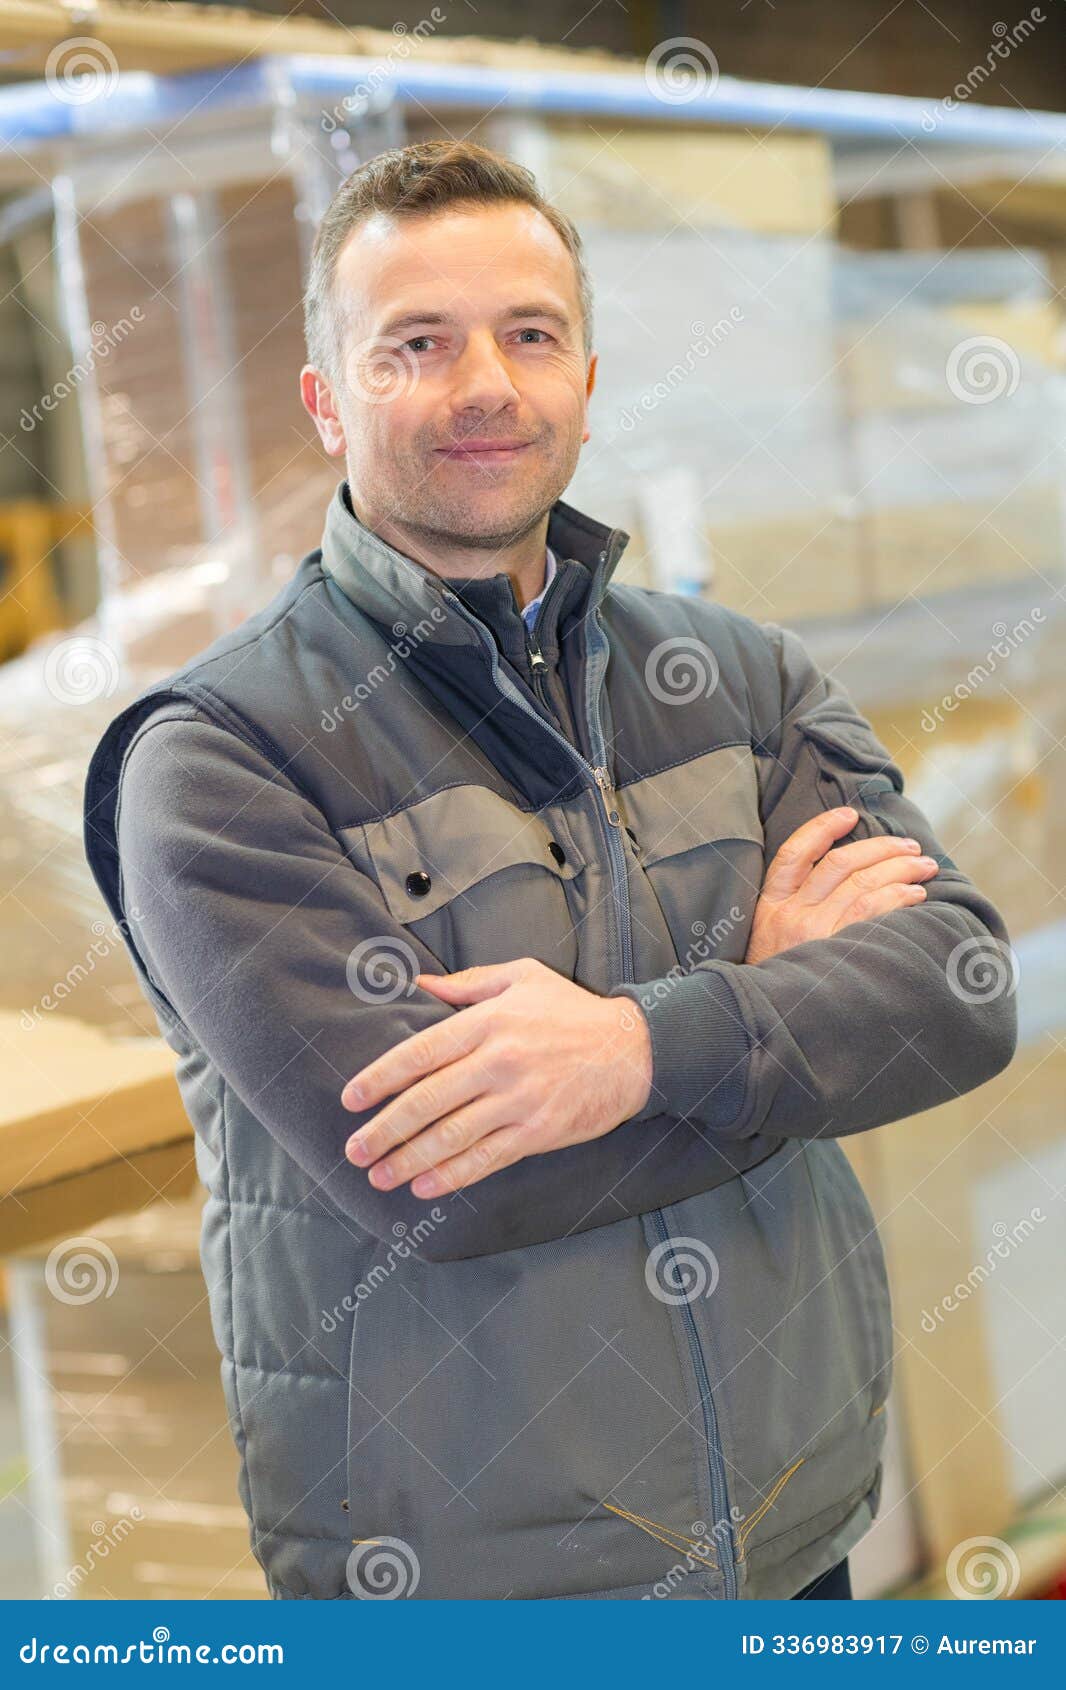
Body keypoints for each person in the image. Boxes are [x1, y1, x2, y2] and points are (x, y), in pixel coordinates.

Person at [83, 139, 1017, 1602]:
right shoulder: (219, 760)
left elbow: (956, 990)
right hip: (468, 1584)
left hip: (792, 1531)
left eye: (528, 335)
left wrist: (640, 1048)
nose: (483, 386)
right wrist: (782, 1020)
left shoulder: (737, 678)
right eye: (416, 345)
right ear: (328, 403)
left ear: (585, 379)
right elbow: (437, 1190)